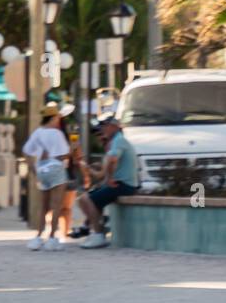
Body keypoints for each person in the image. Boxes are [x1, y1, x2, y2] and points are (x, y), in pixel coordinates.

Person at [76, 116, 139, 248]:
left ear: (114, 127)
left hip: (124, 185)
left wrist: (109, 178)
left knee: (88, 200)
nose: (103, 130)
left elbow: (112, 160)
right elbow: (108, 165)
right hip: (120, 183)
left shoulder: (118, 140)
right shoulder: (117, 140)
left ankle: (99, 235)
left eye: (105, 126)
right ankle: (98, 230)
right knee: (84, 199)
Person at [22, 102, 71, 251]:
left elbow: (26, 151)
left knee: (43, 206)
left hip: (41, 171)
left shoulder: (38, 132)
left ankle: (38, 237)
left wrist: (33, 170)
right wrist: (73, 150)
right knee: (56, 205)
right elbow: (62, 156)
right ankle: (51, 238)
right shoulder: (57, 134)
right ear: (54, 118)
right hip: (56, 169)